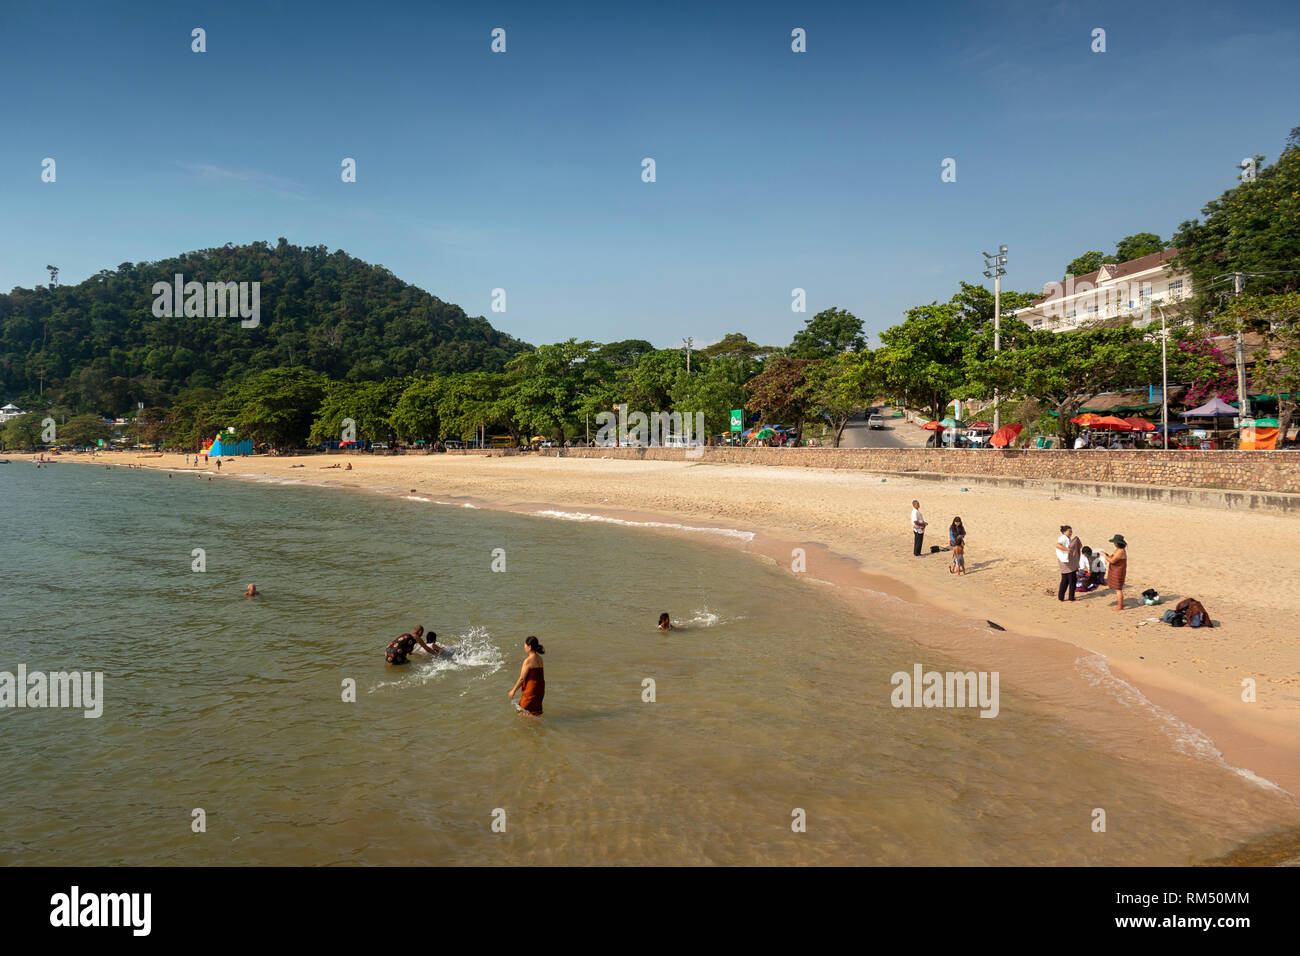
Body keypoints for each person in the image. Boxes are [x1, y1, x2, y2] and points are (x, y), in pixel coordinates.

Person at [508, 636, 546, 716]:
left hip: (531, 690)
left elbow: (522, 679)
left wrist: (513, 690)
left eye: (525, 645)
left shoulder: (528, 661)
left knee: (521, 712)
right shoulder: (540, 659)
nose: (524, 647)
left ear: (529, 647)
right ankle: (539, 726)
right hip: (540, 689)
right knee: (535, 712)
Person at [1056, 525, 1081, 602]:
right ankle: (1071, 597)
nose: (1071, 533)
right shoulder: (1063, 538)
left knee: (1065, 579)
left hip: (1066, 561)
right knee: (1071, 580)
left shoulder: (1067, 538)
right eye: (1069, 531)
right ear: (1064, 532)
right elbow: (1057, 545)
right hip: (1066, 562)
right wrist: (1067, 549)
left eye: (1071, 531)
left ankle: (1061, 597)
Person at [1104, 535, 1128, 611]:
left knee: (1118, 589)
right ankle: (1120, 604)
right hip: (1116, 570)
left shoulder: (1120, 551)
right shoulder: (1118, 549)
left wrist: (1105, 556)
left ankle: (1120, 606)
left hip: (1118, 571)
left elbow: (1112, 561)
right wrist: (1107, 556)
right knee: (1117, 588)